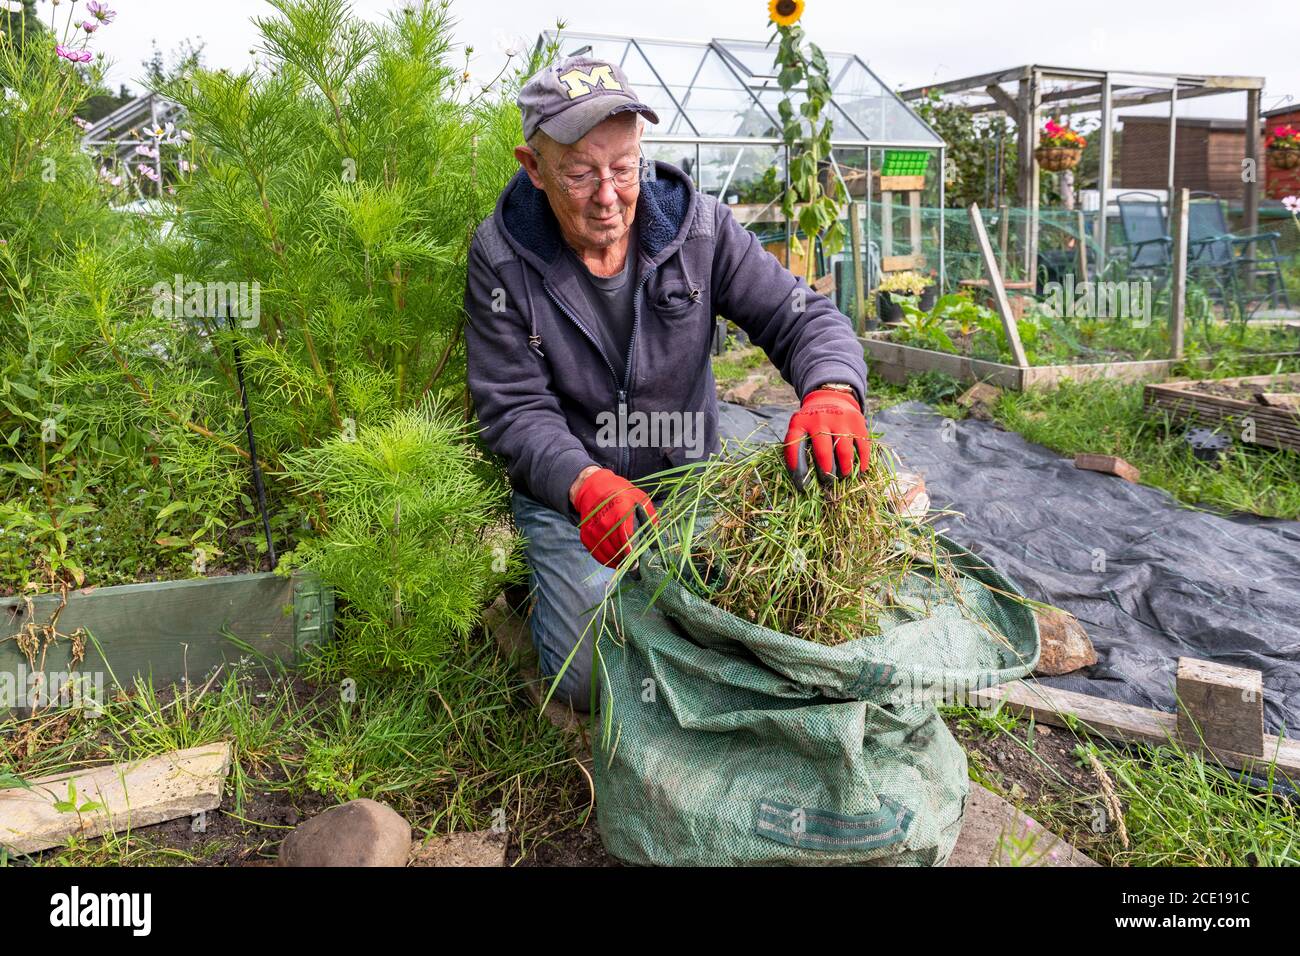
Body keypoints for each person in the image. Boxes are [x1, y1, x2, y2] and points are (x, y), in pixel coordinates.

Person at [464, 57, 870, 711]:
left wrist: (832, 391)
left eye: (623, 169)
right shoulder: (502, 256)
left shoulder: (700, 230)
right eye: (579, 173)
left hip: (688, 482)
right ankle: (547, 584)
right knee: (589, 678)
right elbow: (513, 407)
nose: (607, 195)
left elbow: (801, 318)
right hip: (575, 500)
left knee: (757, 625)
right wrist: (580, 482)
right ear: (533, 167)